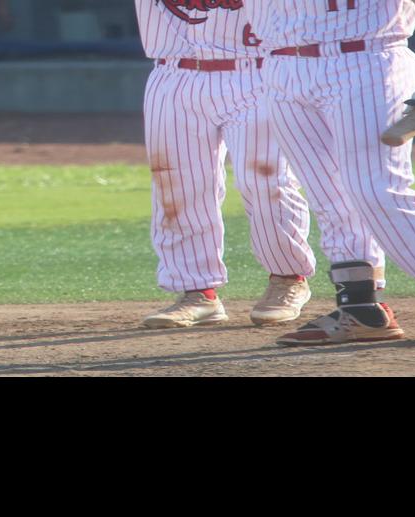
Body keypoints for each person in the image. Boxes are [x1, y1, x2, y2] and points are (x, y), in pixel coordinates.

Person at [135, 0, 385, 330]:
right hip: (172, 74)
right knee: (175, 184)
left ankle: (287, 278)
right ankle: (198, 292)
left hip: (255, 71)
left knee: (266, 179)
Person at [244, 0, 415, 345]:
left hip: (369, 60)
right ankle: (361, 308)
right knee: (328, 195)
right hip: (281, 68)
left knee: (375, 186)